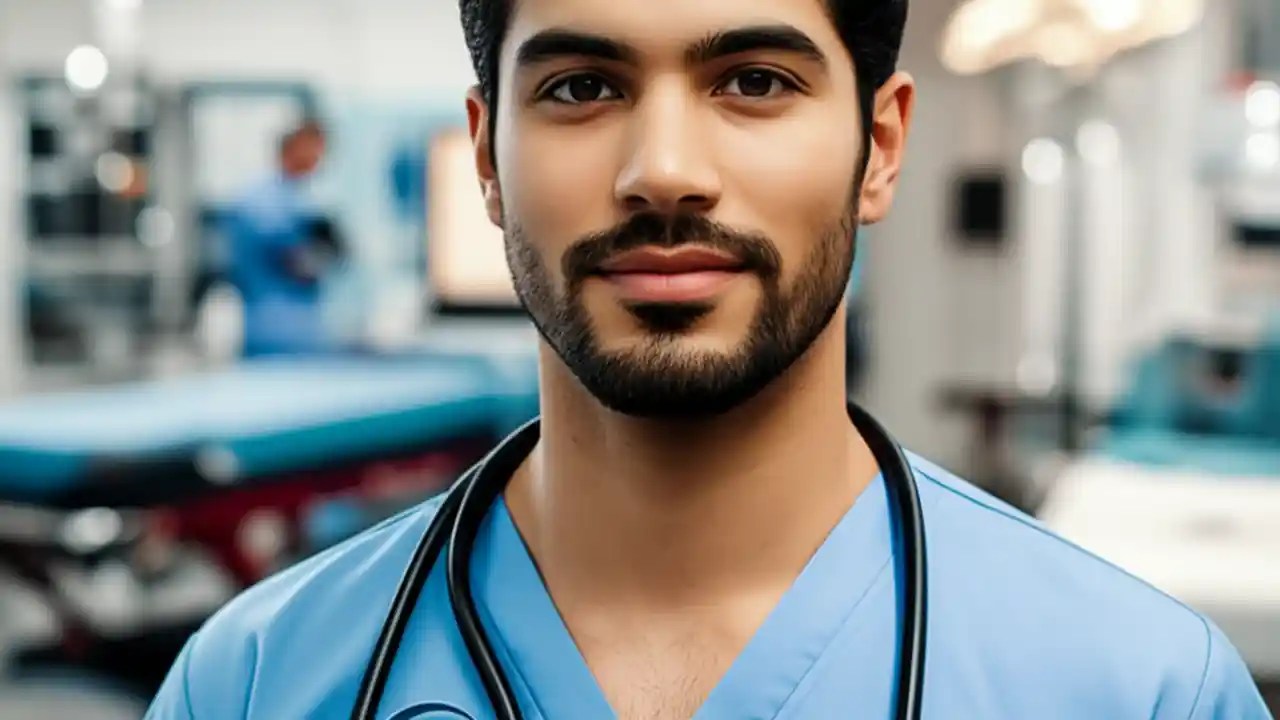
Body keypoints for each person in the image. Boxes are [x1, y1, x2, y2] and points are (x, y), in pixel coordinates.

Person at [147, 1, 1272, 718]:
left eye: (753, 81)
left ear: (877, 148)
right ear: (486, 154)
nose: (665, 171)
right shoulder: (251, 683)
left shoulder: (1142, 688)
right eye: (582, 87)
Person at [221, 120, 340, 357]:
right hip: (272, 329)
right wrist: (326, 252)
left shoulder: (299, 197)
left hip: (302, 332)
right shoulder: (260, 200)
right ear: (292, 147)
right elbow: (293, 262)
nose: (318, 158)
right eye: (313, 149)